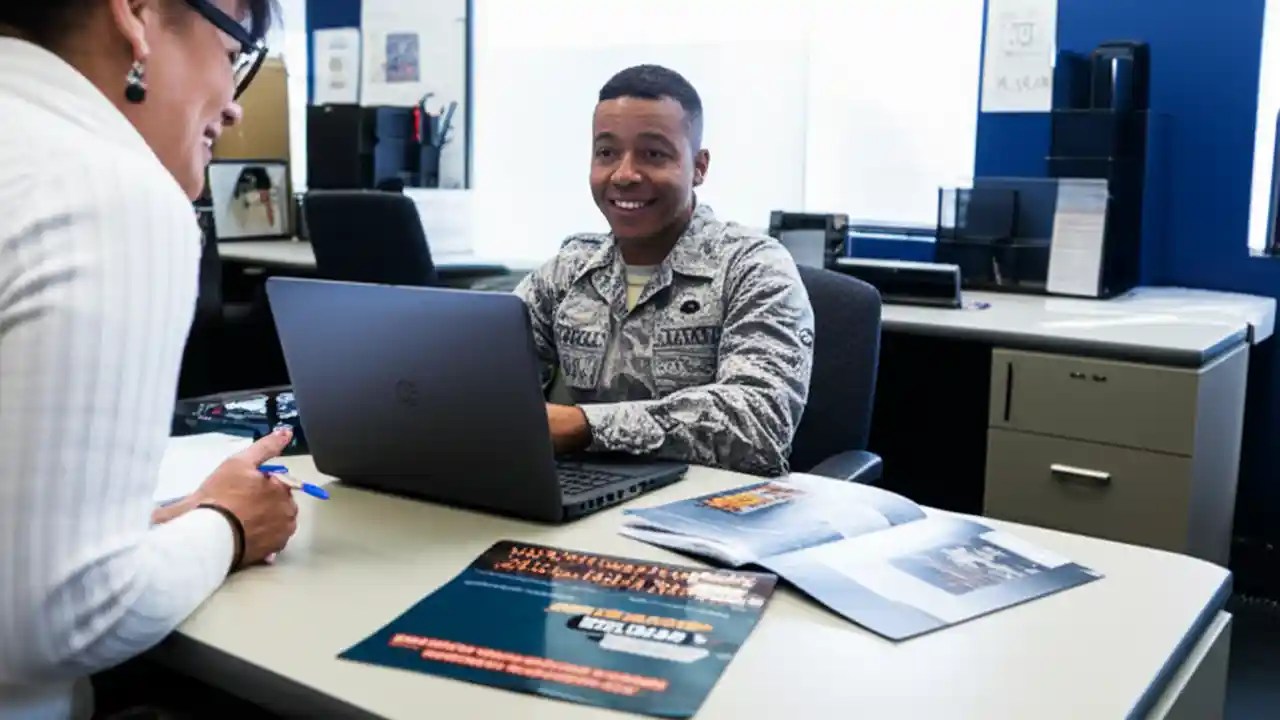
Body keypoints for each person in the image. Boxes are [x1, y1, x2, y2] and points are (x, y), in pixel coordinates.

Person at [0, 2, 297, 717]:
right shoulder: (106, 190)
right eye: (235, 51)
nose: (232, 106)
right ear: (134, 14)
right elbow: (60, 619)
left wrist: (146, 527)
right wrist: (227, 525)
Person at [515, 64, 815, 477]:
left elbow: (758, 424)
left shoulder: (754, 268)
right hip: (582, 496)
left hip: (711, 514)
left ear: (700, 167)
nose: (623, 175)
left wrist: (584, 427)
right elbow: (486, 377)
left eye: (653, 154)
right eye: (606, 153)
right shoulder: (567, 271)